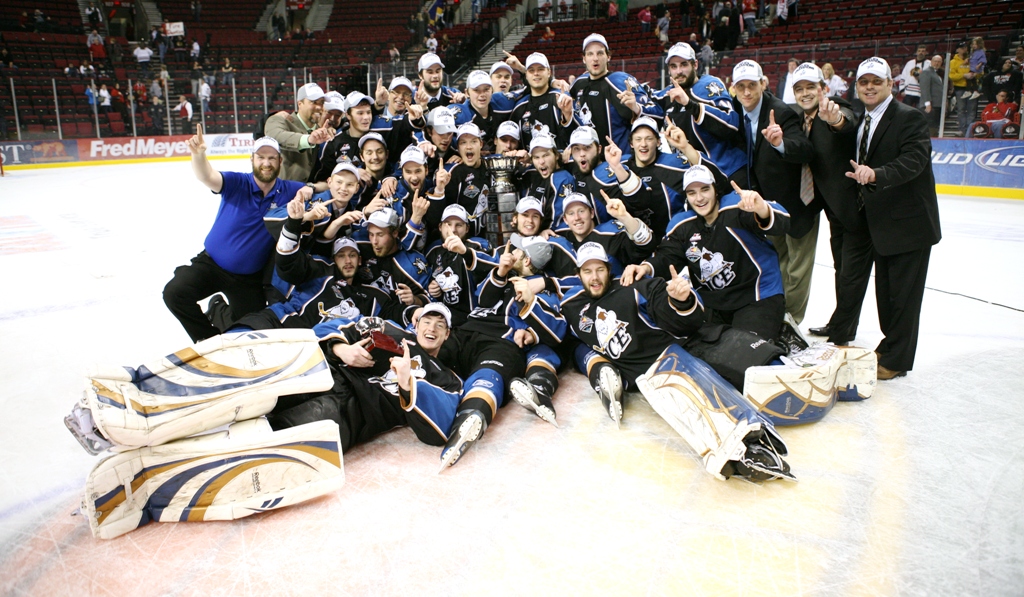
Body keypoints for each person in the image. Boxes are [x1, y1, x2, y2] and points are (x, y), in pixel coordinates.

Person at [845, 57, 942, 380]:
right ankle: (889, 347)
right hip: (882, 223)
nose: (870, 87)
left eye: (877, 81)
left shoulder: (909, 117)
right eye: (864, 82)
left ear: (891, 84)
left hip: (909, 223)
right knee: (887, 294)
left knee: (903, 297)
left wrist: (876, 174)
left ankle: (897, 360)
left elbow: (914, 160)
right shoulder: (863, 119)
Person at [163, 132, 309, 342]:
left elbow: (315, 189)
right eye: (261, 157)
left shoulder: (289, 190)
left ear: (280, 161)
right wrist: (198, 155)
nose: (266, 163)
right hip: (211, 265)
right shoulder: (237, 182)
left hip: (248, 280)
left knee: (253, 329)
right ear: (252, 159)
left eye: (271, 158)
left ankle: (218, 310)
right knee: (174, 294)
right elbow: (208, 176)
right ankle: (209, 341)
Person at [624, 164, 789, 342]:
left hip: (757, 295)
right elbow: (667, 257)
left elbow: (783, 222)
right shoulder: (682, 224)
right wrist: (645, 268)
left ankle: (783, 334)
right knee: (701, 352)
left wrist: (761, 208)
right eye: (692, 193)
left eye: (705, 189)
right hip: (713, 304)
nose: (699, 198)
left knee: (746, 350)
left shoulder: (737, 205)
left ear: (715, 190)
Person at [786, 63, 870, 347]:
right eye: (800, 89)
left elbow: (847, 123)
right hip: (813, 200)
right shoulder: (795, 115)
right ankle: (840, 322)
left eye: (812, 87)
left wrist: (835, 120)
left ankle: (844, 329)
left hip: (844, 201)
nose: (806, 93)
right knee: (839, 267)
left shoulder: (835, 107)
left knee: (847, 268)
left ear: (823, 89)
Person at [729, 59, 816, 327]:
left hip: (796, 203)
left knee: (797, 269)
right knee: (777, 262)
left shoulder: (780, 112)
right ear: (733, 89)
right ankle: (779, 316)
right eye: (741, 86)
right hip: (768, 205)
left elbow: (804, 148)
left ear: (763, 84)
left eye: (752, 85)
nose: (746, 92)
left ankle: (792, 322)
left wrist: (780, 144)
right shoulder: (736, 111)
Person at [656, 42, 747, 185]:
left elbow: (731, 124)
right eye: (674, 66)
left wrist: (690, 104)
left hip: (729, 170)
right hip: (698, 177)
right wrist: (634, 106)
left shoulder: (710, 85)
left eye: (684, 64)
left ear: (695, 65)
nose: (679, 71)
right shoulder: (667, 94)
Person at [570, 33, 663, 155]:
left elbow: (658, 115)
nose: (595, 58)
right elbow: (568, 96)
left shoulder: (620, 81)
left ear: (608, 56)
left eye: (600, 53)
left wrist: (636, 108)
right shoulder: (579, 83)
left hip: (622, 161)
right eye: (590, 54)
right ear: (584, 59)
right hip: (592, 164)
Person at [506, 52, 578, 150]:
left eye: (540, 69)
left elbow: (576, 136)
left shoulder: (560, 99)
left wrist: (568, 118)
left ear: (549, 72)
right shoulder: (519, 107)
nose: (536, 73)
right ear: (526, 75)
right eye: (531, 70)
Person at [264, 83, 336, 182]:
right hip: (284, 193)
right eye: (314, 102)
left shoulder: (322, 130)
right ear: (300, 104)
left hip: (312, 193)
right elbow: (276, 136)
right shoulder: (280, 120)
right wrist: (308, 140)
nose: (319, 107)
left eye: (322, 102)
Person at [949, 42, 973, 136]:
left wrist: (973, 75)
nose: (964, 49)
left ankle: (969, 130)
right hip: (959, 88)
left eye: (965, 47)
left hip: (971, 87)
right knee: (961, 109)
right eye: (962, 47)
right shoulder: (953, 62)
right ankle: (962, 130)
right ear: (958, 49)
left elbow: (980, 72)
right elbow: (952, 76)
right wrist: (964, 75)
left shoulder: (972, 60)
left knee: (971, 109)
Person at [918, 55, 945, 137]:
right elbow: (925, 88)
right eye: (935, 61)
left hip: (937, 104)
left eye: (939, 61)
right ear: (931, 62)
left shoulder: (938, 73)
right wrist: (927, 103)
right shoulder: (926, 72)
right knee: (930, 127)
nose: (937, 63)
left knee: (935, 126)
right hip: (930, 105)